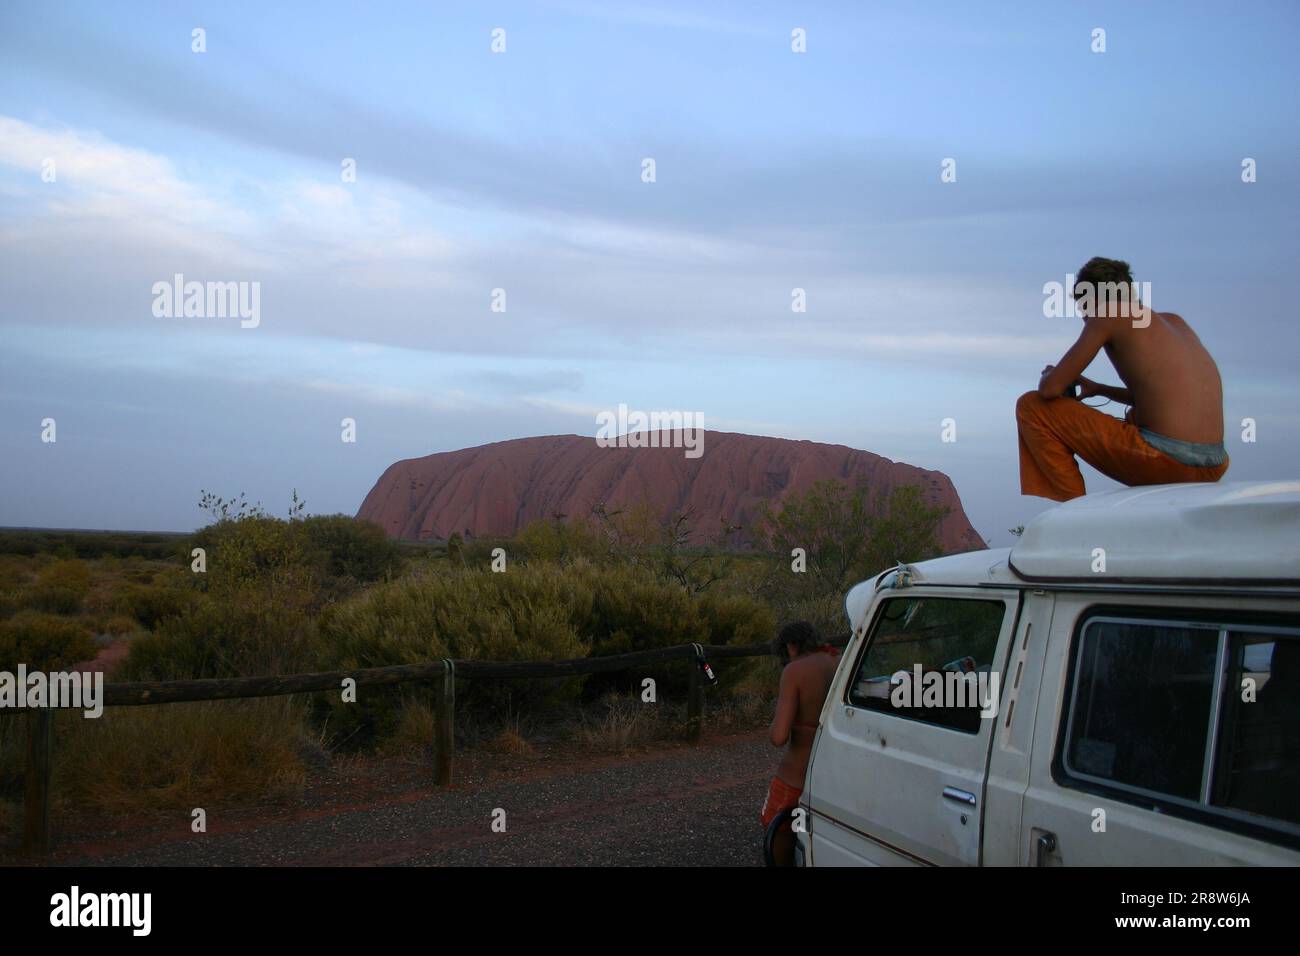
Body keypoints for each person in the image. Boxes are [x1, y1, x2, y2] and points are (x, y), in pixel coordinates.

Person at [1017, 256, 1229, 501]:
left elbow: (1051, 390)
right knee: (1134, 416)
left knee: (1032, 407)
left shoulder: (1108, 314)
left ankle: (1073, 513)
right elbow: (1162, 398)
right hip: (1214, 465)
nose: (1085, 319)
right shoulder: (1175, 322)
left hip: (1168, 461)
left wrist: (1047, 375)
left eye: (1084, 310)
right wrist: (1099, 389)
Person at [762, 622, 839, 836]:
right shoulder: (837, 661)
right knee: (811, 836)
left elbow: (778, 737)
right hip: (830, 777)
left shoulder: (795, 670)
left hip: (795, 777)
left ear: (790, 647)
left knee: (777, 835)